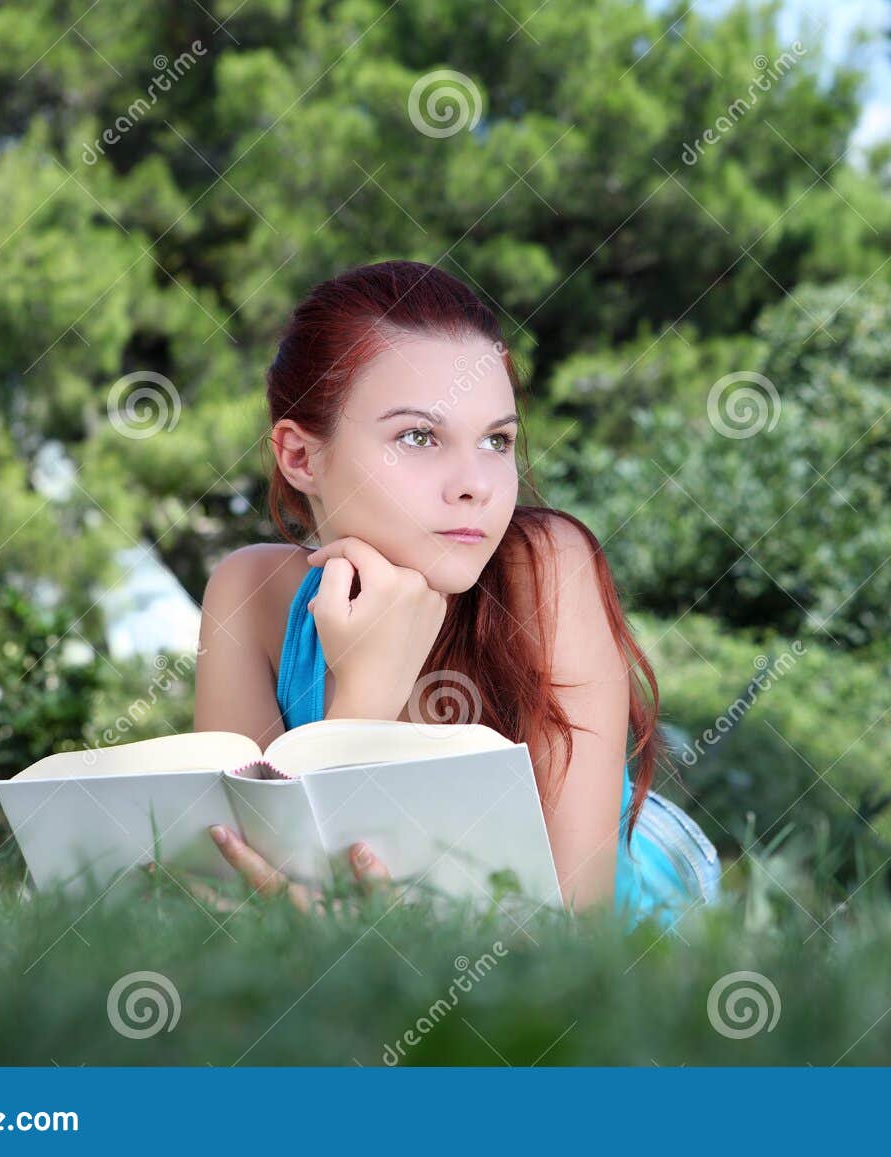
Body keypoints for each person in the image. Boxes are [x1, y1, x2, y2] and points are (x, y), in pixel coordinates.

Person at [188, 259, 719, 931]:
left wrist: (378, 921)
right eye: (419, 436)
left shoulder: (548, 566)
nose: (477, 484)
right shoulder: (251, 593)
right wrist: (364, 700)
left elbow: (578, 932)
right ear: (300, 457)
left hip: (634, 927)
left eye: (497, 439)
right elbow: (250, 889)